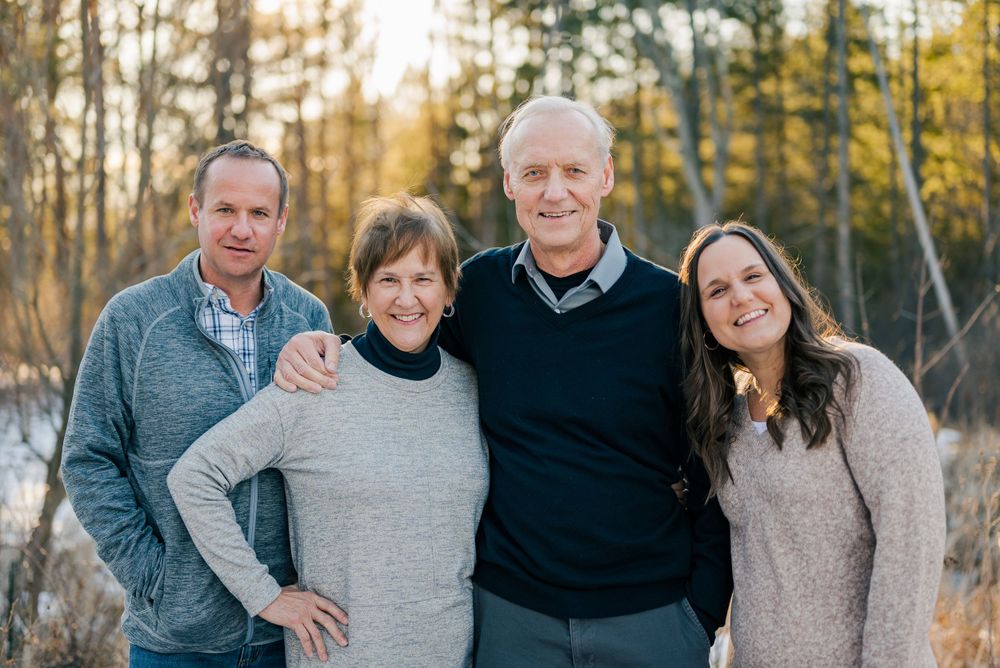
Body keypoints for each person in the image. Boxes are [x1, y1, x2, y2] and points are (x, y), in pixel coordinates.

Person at [275, 96, 733, 667]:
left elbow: (716, 464)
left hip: (651, 619)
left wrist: (699, 614)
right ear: (510, 182)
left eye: (574, 171)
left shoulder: (671, 307)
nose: (555, 192)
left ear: (606, 176)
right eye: (535, 173)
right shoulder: (480, 291)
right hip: (513, 620)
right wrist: (325, 346)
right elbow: (400, 350)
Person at [167, 192, 488, 667]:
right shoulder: (315, 383)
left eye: (423, 279)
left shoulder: (471, 388)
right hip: (341, 657)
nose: (406, 298)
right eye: (388, 280)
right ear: (362, 290)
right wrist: (264, 595)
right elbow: (194, 477)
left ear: (448, 291)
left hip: (452, 653)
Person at [61, 140, 335, 667]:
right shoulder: (133, 320)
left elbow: (323, 463)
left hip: (290, 636)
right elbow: (88, 460)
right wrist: (156, 580)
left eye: (259, 213)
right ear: (195, 210)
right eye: (225, 210)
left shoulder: (307, 319)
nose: (241, 229)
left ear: (280, 221)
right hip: (176, 643)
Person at [677, 221, 946, 666]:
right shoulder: (727, 421)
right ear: (703, 321)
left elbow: (912, 536)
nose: (741, 297)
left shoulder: (857, 380)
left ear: (782, 284)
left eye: (753, 276)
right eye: (717, 290)